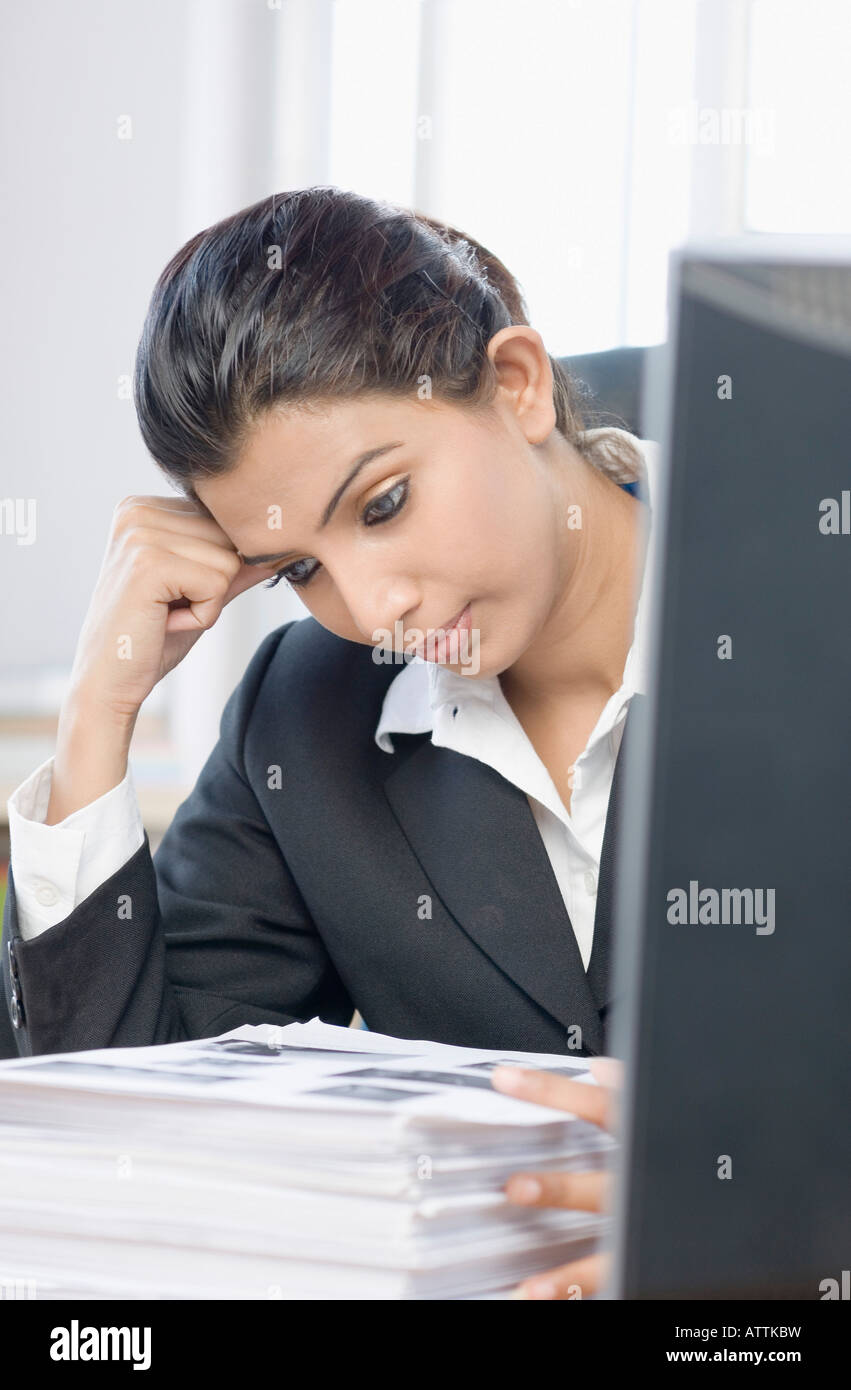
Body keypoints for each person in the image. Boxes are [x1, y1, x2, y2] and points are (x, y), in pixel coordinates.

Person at [2, 186, 654, 1299]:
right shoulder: (303, 711)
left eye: (383, 501)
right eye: (298, 568)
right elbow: (132, 1137)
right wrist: (94, 725)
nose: (368, 605)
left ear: (516, 385)